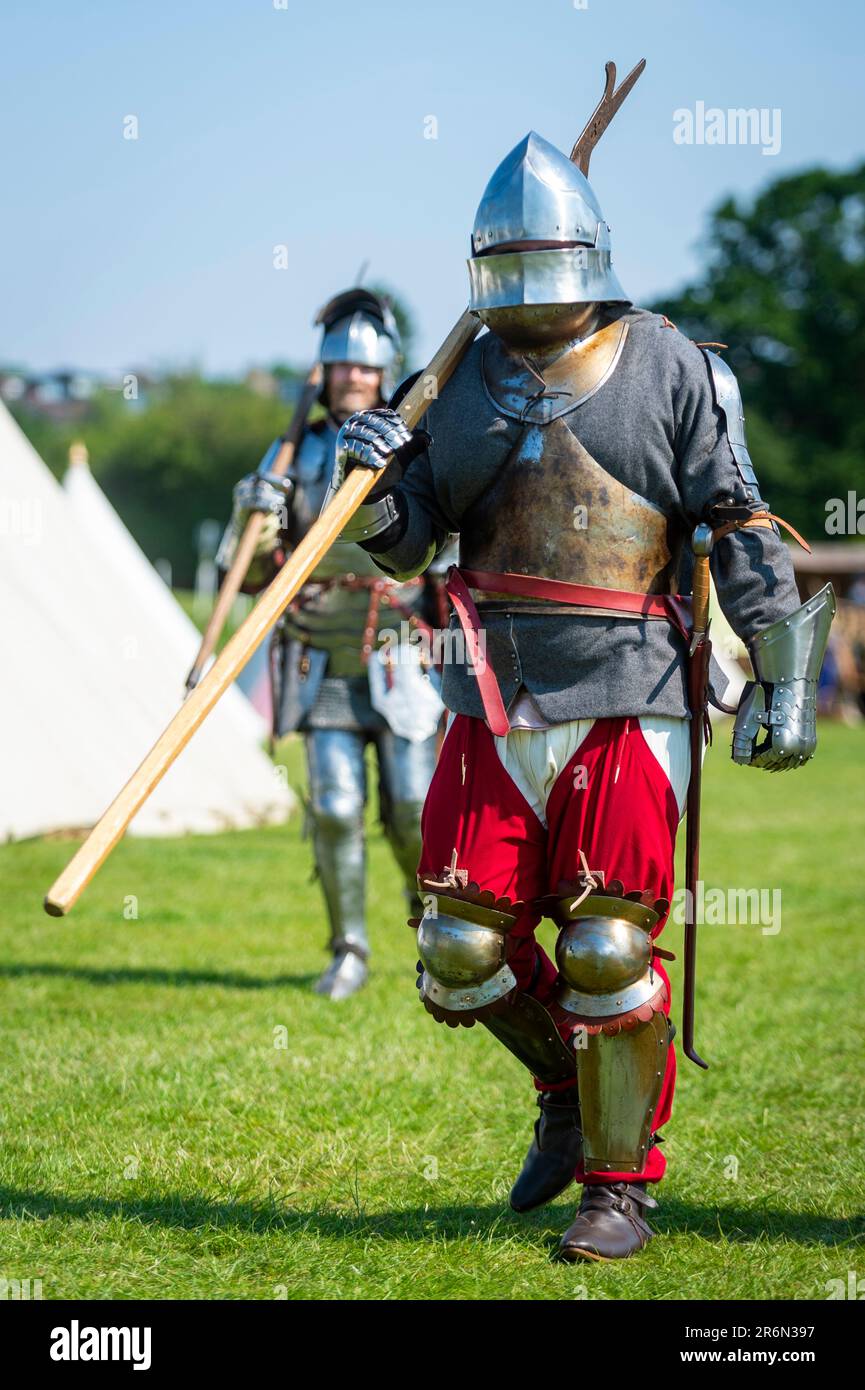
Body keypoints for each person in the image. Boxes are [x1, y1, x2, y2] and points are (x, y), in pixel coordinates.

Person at [328, 133, 835, 1258]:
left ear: (584, 251)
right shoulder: (453, 377)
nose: (521, 288)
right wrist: (362, 480)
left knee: (607, 945)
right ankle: (565, 1083)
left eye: (535, 261)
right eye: (501, 267)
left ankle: (619, 1188)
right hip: (492, 687)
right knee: (457, 948)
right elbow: (408, 544)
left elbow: (739, 522)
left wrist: (779, 676)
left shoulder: (676, 366)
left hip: (631, 684)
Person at [218, 289, 445, 1000]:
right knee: (335, 806)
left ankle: (436, 936)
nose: (351, 376)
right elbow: (251, 571)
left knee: (411, 807)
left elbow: (438, 544)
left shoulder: (413, 442)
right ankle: (347, 948)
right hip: (319, 655)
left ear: (385, 373)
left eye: (363, 366)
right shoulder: (294, 450)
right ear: (322, 372)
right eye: (339, 365)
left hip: (399, 649)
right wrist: (251, 512)